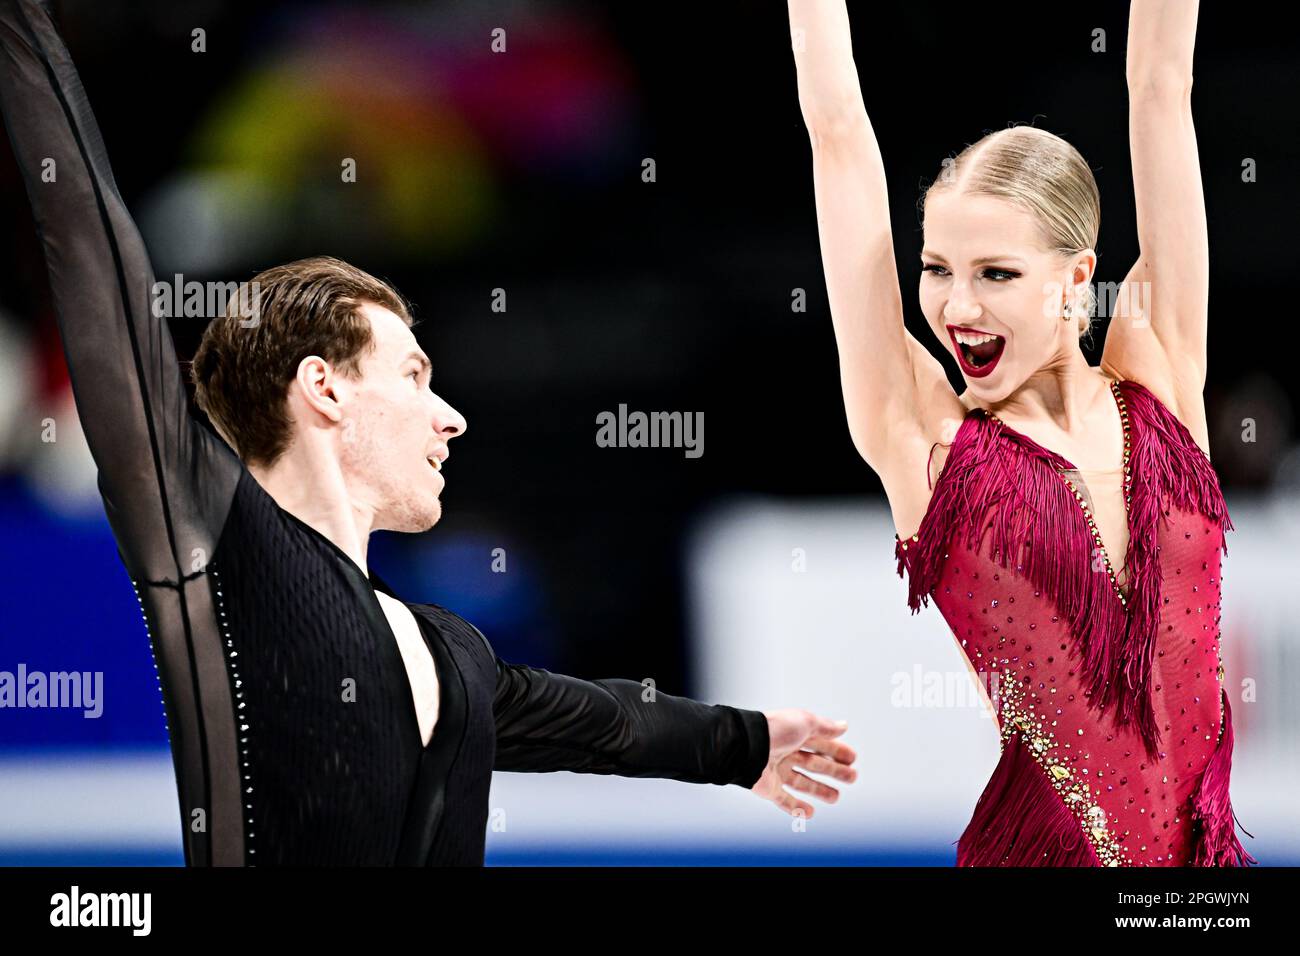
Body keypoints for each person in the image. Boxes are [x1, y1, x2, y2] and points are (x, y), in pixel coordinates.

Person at [0, 0, 857, 866]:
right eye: (413, 376)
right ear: (323, 390)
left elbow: (605, 722)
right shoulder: (213, 554)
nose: (451, 415)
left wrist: (745, 745)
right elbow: (91, 246)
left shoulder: (450, 653)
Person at [786, 0, 1253, 865]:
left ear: (1075, 277)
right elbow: (837, 129)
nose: (956, 307)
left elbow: (1159, 85)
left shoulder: (1161, 375)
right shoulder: (928, 444)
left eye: (996, 273)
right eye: (936, 270)